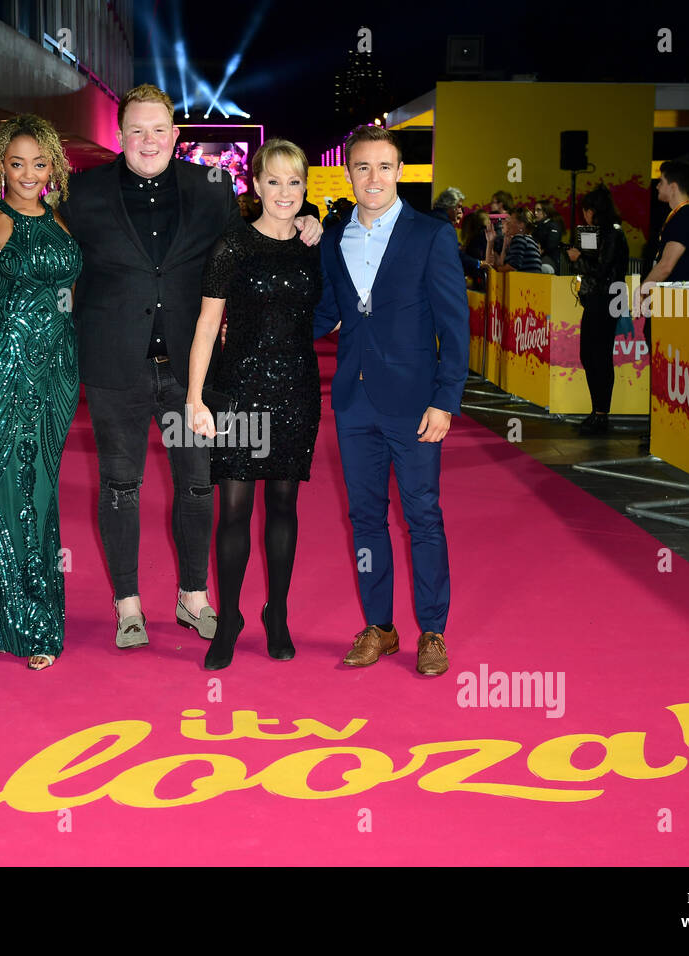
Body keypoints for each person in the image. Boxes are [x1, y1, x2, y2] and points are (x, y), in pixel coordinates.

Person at [56, 83, 322, 651]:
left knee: (199, 487)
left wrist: (308, 224)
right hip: (114, 366)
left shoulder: (211, 187)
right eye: (136, 130)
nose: (147, 140)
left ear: (175, 136)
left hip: (191, 373)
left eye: (158, 130)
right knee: (120, 486)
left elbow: (250, 242)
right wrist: (1, 289)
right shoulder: (83, 193)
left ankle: (193, 597)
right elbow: (53, 255)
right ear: (119, 135)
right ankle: (127, 603)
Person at [313, 124, 469, 677]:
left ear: (400, 172)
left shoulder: (431, 235)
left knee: (423, 516)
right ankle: (380, 627)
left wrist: (445, 400)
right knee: (365, 519)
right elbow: (328, 313)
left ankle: (433, 630)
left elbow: (455, 325)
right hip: (353, 405)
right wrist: (263, 322)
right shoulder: (334, 240)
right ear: (348, 172)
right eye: (362, 167)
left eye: (384, 167)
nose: (373, 178)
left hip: (414, 404)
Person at [0, 114, 81, 672]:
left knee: (44, 492)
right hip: (5, 375)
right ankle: (28, 626)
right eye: (17, 163)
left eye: (40, 163)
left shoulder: (60, 223)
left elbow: (64, 296)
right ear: (0, 167)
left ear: (54, 166)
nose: (29, 174)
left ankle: (8, 614)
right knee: (13, 495)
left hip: (57, 376)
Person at [186, 139, 322, 670]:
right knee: (235, 511)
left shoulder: (315, 245)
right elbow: (205, 324)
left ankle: (278, 614)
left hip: (297, 389)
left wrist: (319, 229)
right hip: (240, 389)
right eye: (274, 181)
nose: (284, 192)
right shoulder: (232, 247)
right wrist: (196, 397)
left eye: (295, 182)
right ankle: (230, 620)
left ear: (305, 188)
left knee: (284, 506)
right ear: (256, 185)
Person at [638, 159, 689, 450]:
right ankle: (661, 428)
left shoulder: (684, 217)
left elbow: (665, 266)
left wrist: (641, 292)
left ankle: (665, 431)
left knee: (668, 369)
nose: (657, 186)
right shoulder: (679, 217)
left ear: (673, 186)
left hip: (672, 308)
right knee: (664, 368)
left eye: (661, 182)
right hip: (668, 305)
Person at [566, 185, 630, 435]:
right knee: (588, 354)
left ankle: (601, 413)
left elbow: (601, 267)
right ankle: (597, 411)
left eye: (587, 211)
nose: (584, 216)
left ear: (593, 210)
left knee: (599, 355)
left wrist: (577, 259)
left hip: (607, 298)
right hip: (595, 298)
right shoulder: (598, 233)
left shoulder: (613, 233)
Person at [431, 187, 481, 281]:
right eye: (458, 207)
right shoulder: (444, 225)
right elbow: (454, 254)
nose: (460, 211)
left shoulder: (430, 217)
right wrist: (478, 263)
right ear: (450, 206)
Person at [490, 205, 543, 273]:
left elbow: (512, 267)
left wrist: (496, 269)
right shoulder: (532, 241)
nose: (507, 223)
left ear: (521, 224)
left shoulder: (519, 238)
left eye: (510, 220)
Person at [532, 200, 564, 273]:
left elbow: (552, 245)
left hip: (551, 260)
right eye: (535, 210)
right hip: (539, 258)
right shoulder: (537, 226)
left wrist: (540, 250)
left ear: (546, 212)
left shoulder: (553, 225)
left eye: (538, 210)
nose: (535, 213)